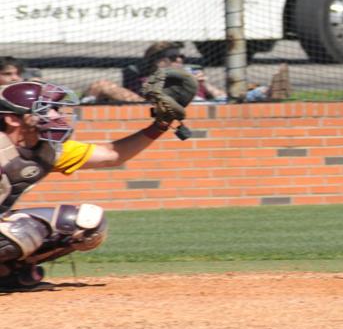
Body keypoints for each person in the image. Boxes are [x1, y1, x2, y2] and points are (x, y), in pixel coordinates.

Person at [1, 80, 185, 291]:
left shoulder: (46, 149)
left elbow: (112, 155)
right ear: (12, 119)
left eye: (55, 109)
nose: (55, 116)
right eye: (45, 110)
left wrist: (160, 125)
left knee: (85, 223)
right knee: (20, 231)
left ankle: (7, 276)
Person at [90, 42, 223, 104]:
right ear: (159, 62)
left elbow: (223, 99)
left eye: (181, 57)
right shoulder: (147, 80)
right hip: (162, 111)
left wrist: (205, 84)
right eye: (173, 57)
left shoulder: (194, 76)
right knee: (102, 85)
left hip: (199, 110)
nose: (179, 60)